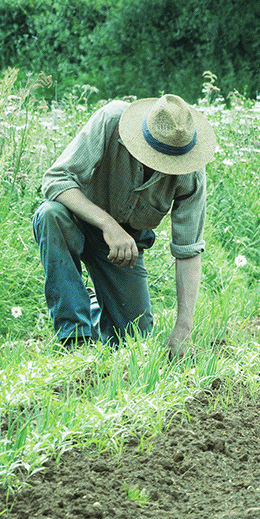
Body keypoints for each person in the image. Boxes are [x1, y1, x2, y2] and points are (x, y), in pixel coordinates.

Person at [35, 94, 214, 358]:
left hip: (126, 246)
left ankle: (95, 306)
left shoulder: (191, 174)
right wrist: (108, 224)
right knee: (50, 214)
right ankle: (75, 338)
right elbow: (55, 180)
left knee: (133, 340)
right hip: (78, 220)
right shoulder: (110, 120)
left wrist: (183, 329)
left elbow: (188, 251)